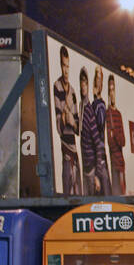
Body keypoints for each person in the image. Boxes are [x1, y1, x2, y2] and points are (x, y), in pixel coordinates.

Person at [53, 46, 81, 195]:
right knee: (67, 191)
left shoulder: (73, 91)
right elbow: (59, 127)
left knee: (78, 191)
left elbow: (78, 129)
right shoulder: (56, 86)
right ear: (60, 64)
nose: (66, 70)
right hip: (65, 149)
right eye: (64, 66)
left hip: (75, 150)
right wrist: (66, 112)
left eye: (68, 66)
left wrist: (73, 121)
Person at [88, 68, 114, 195]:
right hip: (96, 156)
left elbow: (97, 131)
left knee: (105, 193)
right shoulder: (94, 104)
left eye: (100, 80)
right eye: (96, 79)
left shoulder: (100, 105)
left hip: (99, 156)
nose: (98, 83)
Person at [79, 68, 99, 195]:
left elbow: (97, 143)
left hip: (90, 168)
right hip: (83, 165)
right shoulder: (80, 106)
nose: (83, 85)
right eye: (82, 82)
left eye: (85, 82)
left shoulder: (89, 110)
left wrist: (97, 173)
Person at [105, 74, 126, 195]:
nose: (112, 93)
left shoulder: (118, 114)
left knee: (120, 195)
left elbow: (122, 142)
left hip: (119, 163)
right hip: (112, 162)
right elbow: (109, 140)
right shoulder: (107, 114)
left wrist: (115, 134)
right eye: (110, 90)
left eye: (113, 90)